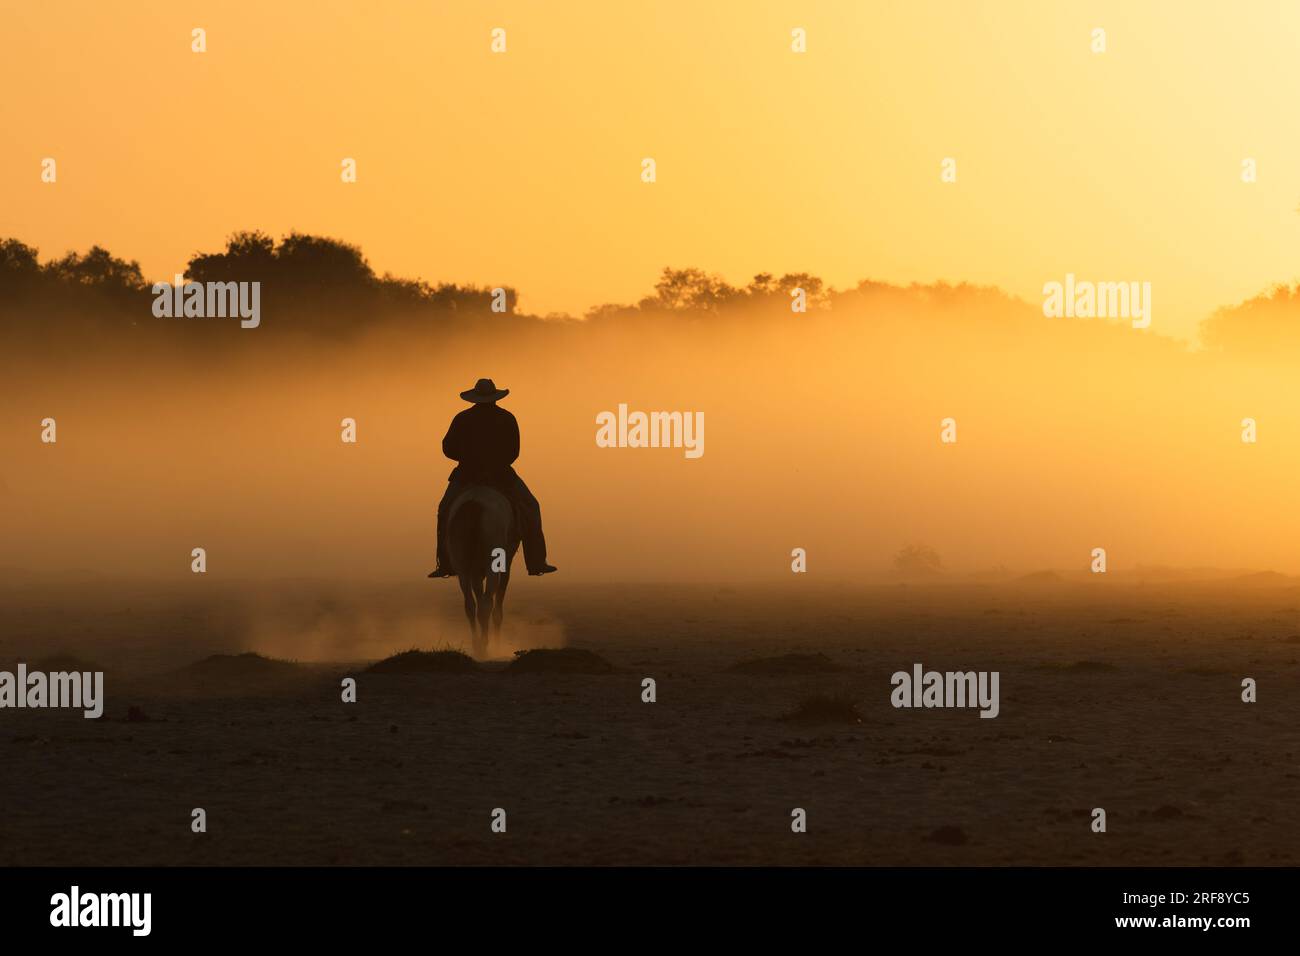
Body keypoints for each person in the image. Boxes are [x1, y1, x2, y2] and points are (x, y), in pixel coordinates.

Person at [428, 378, 557, 577]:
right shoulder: (507, 418)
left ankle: (445, 563)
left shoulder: (462, 418)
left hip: (466, 476)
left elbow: (448, 448)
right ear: (495, 398)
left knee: (445, 510)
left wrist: (468, 459)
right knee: (531, 507)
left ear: (474, 399)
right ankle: (536, 561)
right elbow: (514, 452)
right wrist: (494, 463)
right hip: (501, 475)